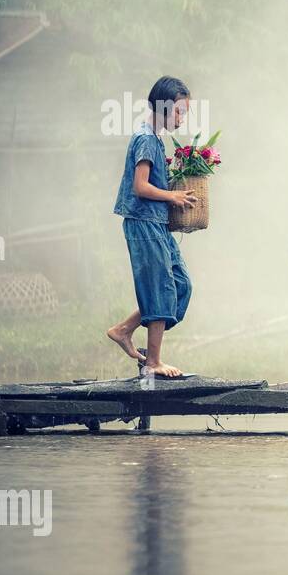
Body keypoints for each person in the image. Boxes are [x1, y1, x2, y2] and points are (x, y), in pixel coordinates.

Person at [105, 76, 198, 378]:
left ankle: (124, 329)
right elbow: (140, 186)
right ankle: (153, 362)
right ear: (164, 107)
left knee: (181, 285)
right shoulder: (145, 138)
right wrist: (172, 195)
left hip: (157, 223)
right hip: (143, 222)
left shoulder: (155, 138)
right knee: (159, 288)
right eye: (179, 112)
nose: (182, 118)